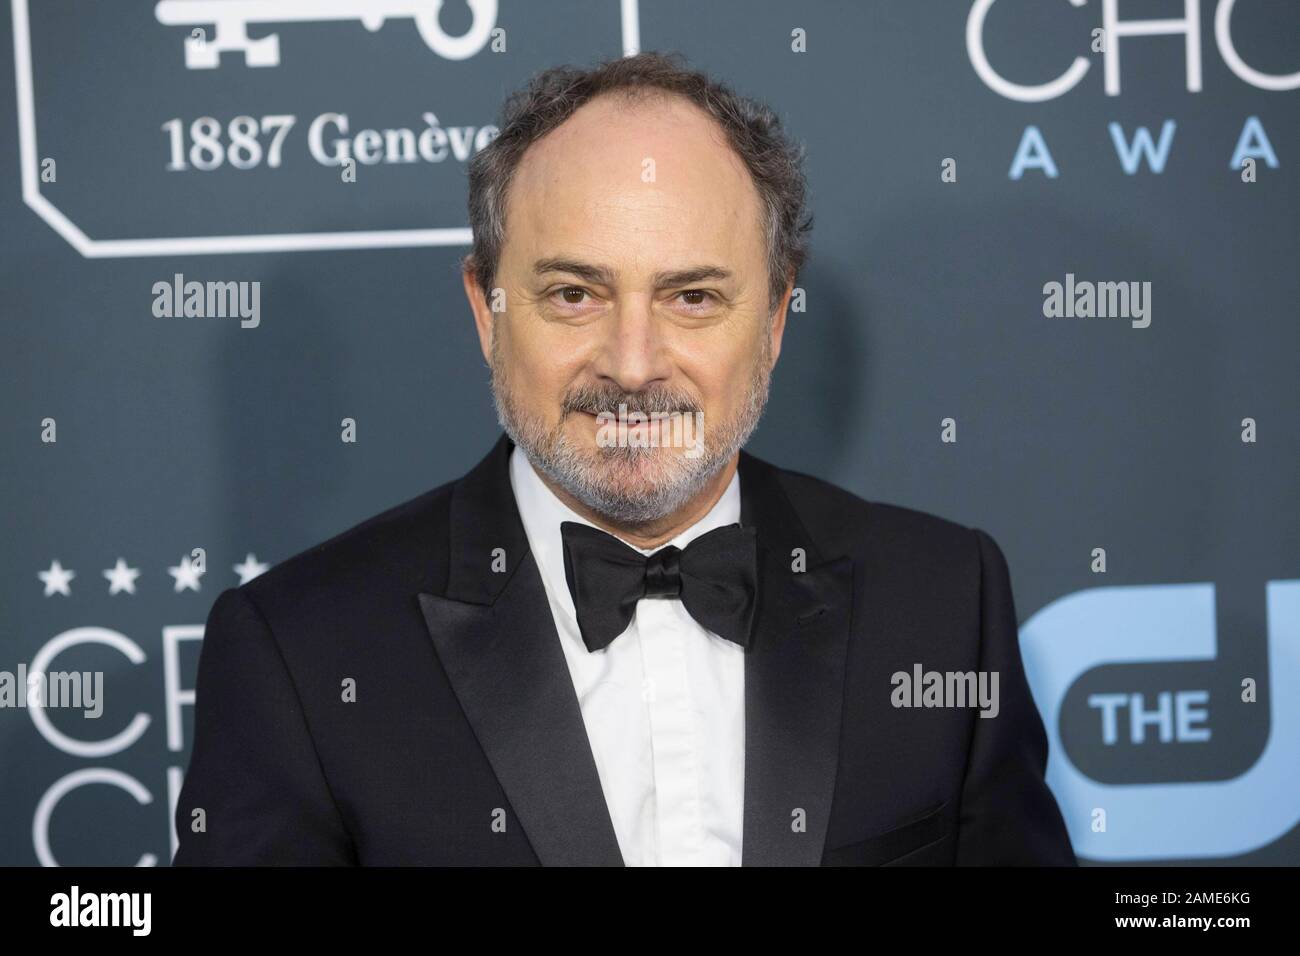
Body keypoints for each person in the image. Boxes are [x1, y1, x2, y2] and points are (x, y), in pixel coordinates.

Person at [173, 51, 1074, 866]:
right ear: (487, 311)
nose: (633, 364)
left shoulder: (946, 603)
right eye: (574, 293)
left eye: (692, 296)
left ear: (773, 319)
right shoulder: (298, 655)